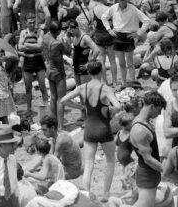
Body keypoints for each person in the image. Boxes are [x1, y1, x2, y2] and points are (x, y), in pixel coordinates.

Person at [59, 59, 120, 197]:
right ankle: (105, 194)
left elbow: (63, 101)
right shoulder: (105, 88)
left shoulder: (82, 87)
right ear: (101, 71)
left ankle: (86, 194)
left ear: (89, 72)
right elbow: (118, 106)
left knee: (88, 164)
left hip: (89, 129)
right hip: (104, 128)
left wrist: (81, 107)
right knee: (110, 161)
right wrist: (110, 111)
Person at [130, 90, 167, 207]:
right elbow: (148, 159)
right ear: (151, 107)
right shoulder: (140, 130)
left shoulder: (144, 122)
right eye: (159, 110)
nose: (160, 113)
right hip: (147, 175)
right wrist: (167, 171)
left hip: (150, 174)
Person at [17, 15, 47, 117]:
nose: (32, 24)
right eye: (30, 22)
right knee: (28, 88)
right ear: (26, 23)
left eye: (34, 22)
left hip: (38, 61)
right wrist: (34, 47)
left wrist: (27, 46)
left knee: (42, 86)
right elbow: (20, 47)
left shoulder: (40, 31)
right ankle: (29, 110)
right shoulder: (23, 32)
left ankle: (46, 108)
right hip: (28, 62)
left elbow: (39, 46)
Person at [41, 20, 69, 128]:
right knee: (61, 99)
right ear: (57, 31)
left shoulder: (45, 37)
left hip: (49, 69)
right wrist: (65, 39)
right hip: (58, 71)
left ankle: (54, 123)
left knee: (53, 97)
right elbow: (68, 51)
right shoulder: (57, 43)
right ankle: (60, 126)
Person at [39, 114, 82, 180]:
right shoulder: (55, 136)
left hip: (72, 171)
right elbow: (50, 155)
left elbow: (53, 161)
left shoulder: (61, 140)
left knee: (44, 176)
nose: (43, 132)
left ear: (52, 128)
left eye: (45, 130)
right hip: (70, 166)